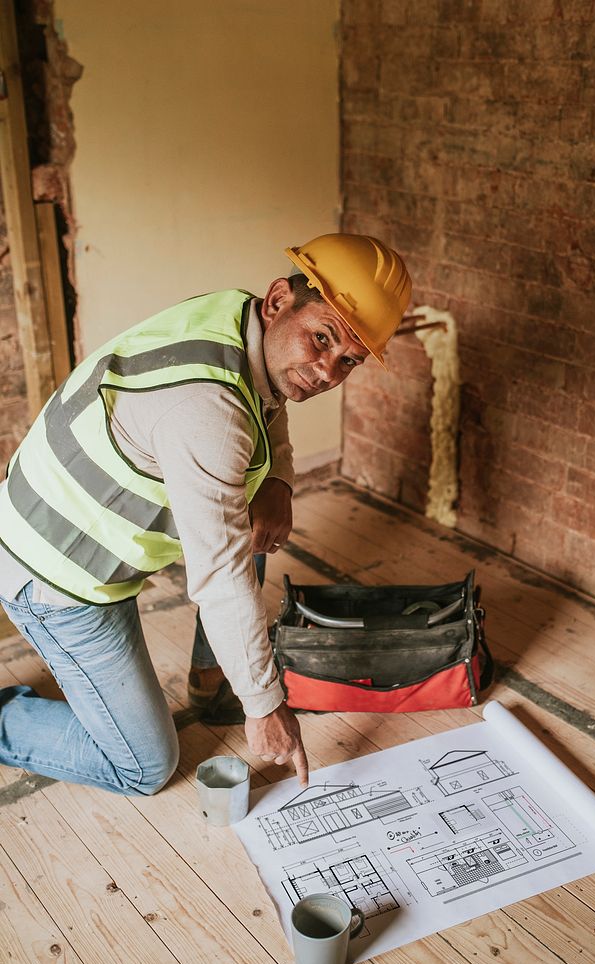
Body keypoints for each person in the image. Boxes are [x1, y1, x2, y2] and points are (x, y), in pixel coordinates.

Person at [0, 233, 411, 796]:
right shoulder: (205, 410)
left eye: (348, 361)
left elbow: (268, 398)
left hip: (78, 524)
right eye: (322, 338)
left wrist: (281, 479)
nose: (325, 372)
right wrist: (266, 703)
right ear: (278, 301)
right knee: (144, 766)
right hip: (57, 571)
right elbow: (218, 572)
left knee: (255, 514)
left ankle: (212, 677)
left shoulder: (239, 320)